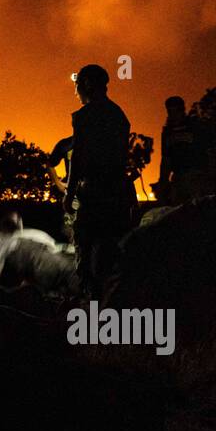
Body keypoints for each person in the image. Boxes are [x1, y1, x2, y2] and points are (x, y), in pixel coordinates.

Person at [63, 65, 134, 300]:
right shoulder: (119, 115)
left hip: (94, 195)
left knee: (86, 253)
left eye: (78, 84)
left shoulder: (84, 117)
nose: (75, 91)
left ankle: (91, 307)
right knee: (116, 255)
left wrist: (69, 192)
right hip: (118, 196)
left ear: (87, 85)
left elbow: (79, 156)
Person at [154, 96, 211, 205]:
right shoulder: (167, 132)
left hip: (196, 177)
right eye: (170, 111)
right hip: (178, 178)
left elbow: (208, 151)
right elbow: (166, 159)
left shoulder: (195, 127)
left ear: (181, 110)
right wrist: (163, 182)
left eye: (175, 111)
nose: (173, 115)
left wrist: (208, 176)